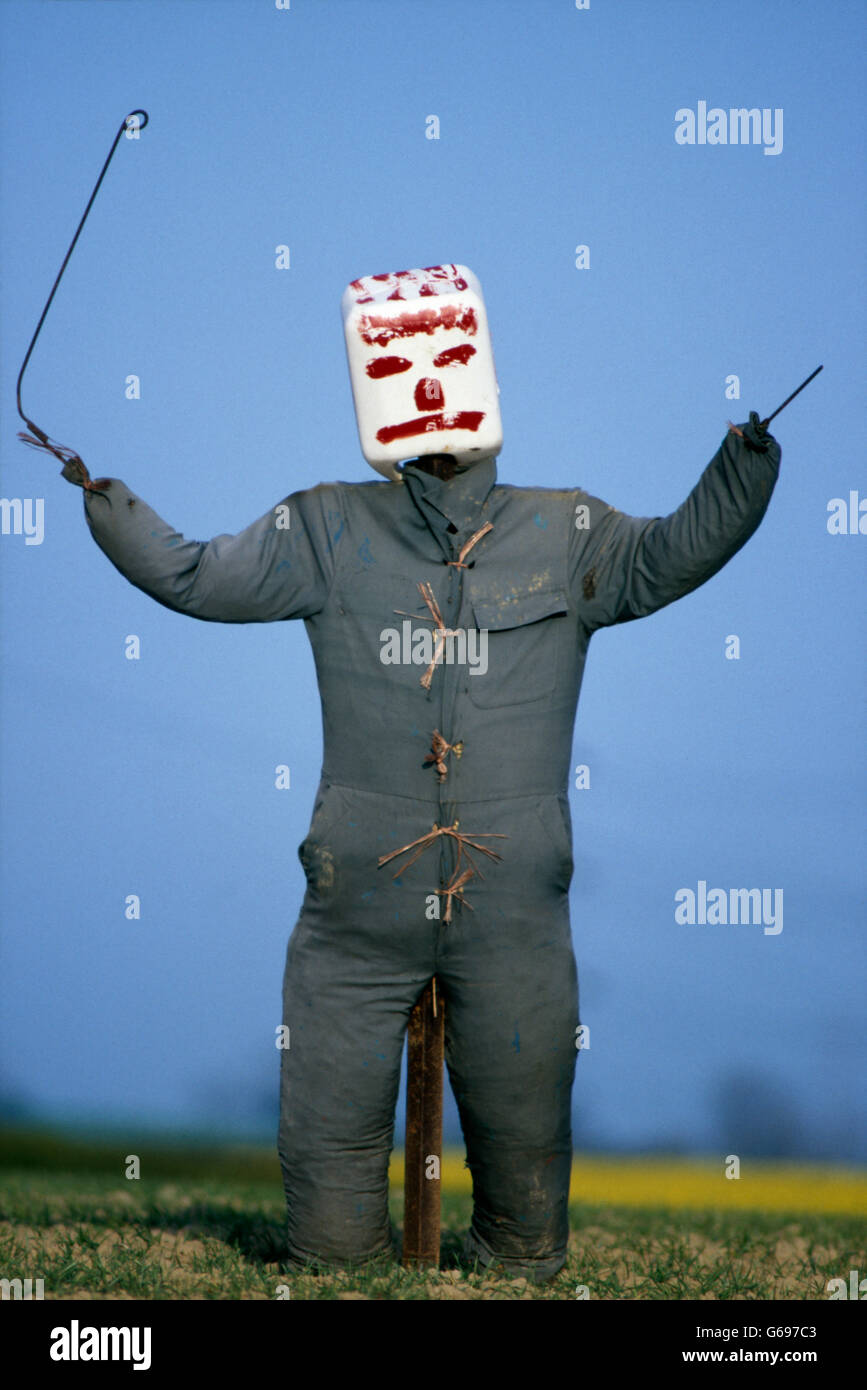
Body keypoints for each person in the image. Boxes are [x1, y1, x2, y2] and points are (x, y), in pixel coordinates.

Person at [58, 264, 781, 1283]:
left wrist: (743, 465)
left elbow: (673, 552)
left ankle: (511, 1264)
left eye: (448, 358)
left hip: (514, 910)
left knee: (526, 1187)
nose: (430, 388)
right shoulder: (323, 527)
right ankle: (339, 1266)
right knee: (329, 1184)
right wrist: (106, 497)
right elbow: (194, 574)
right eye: (399, 363)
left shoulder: (568, 531)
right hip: (358, 903)